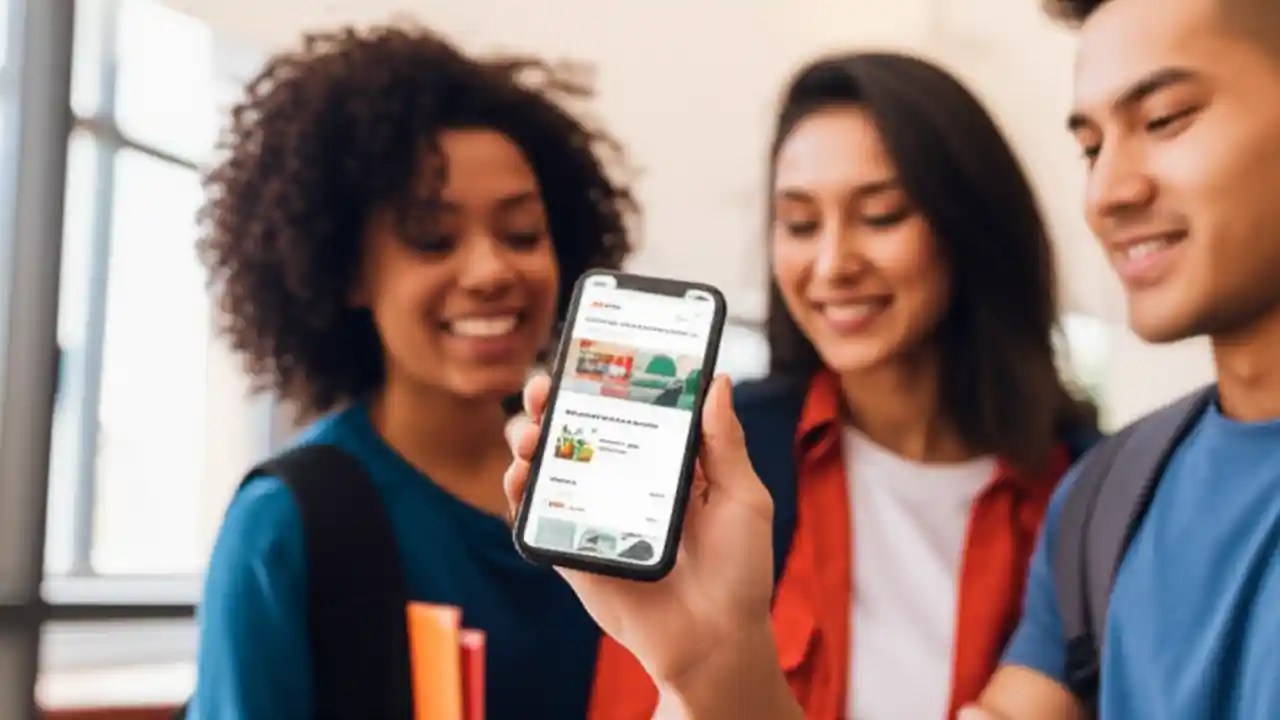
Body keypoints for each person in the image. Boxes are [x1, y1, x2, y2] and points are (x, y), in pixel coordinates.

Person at [506, 0, 1280, 717]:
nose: (1107, 191)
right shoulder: (1109, 502)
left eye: (1167, 119)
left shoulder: (1070, 488)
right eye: (1089, 148)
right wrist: (717, 661)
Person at [593, 51, 1098, 720]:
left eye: (882, 215)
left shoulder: (1089, 494)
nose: (832, 264)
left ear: (970, 225)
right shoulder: (721, 464)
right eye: (800, 225)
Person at [191, 25, 635, 719]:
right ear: (347, 272)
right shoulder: (284, 525)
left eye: (521, 234)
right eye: (432, 239)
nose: (491, 272)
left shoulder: (607, 498)